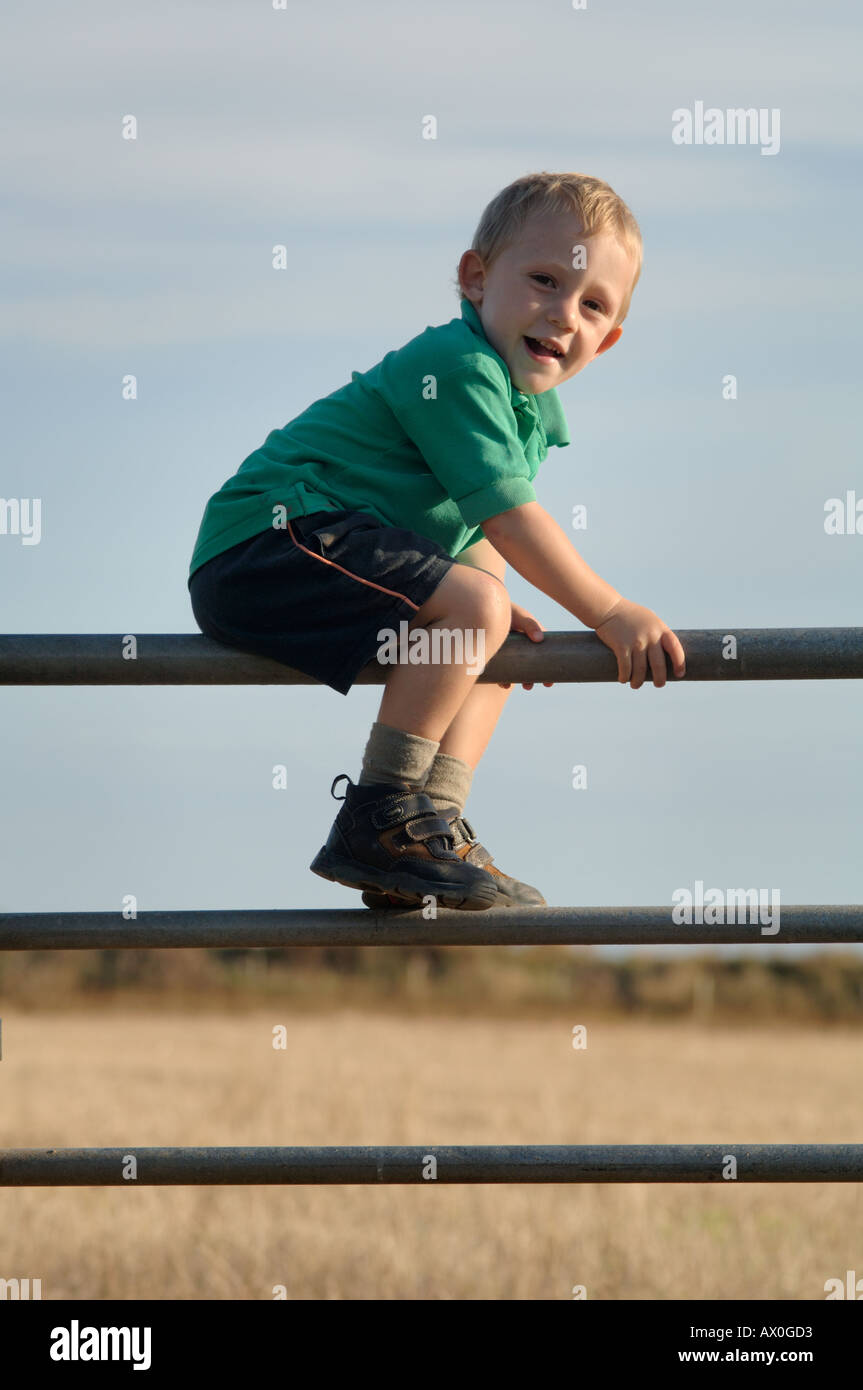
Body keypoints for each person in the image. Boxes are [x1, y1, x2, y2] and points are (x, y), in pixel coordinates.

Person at [187, 171, 686, 913]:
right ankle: (381, 815)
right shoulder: (456, 367)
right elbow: (509, 519)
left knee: (498, 640)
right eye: (544, 280)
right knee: (480, 612)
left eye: (590, 305)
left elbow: (467, 522)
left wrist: (495, 607)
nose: (562, 314)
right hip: (269, 544)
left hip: (326, 551)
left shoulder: (523, 409)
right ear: (475, 278)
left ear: (607, 341)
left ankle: (428, 826)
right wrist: (609, 611)